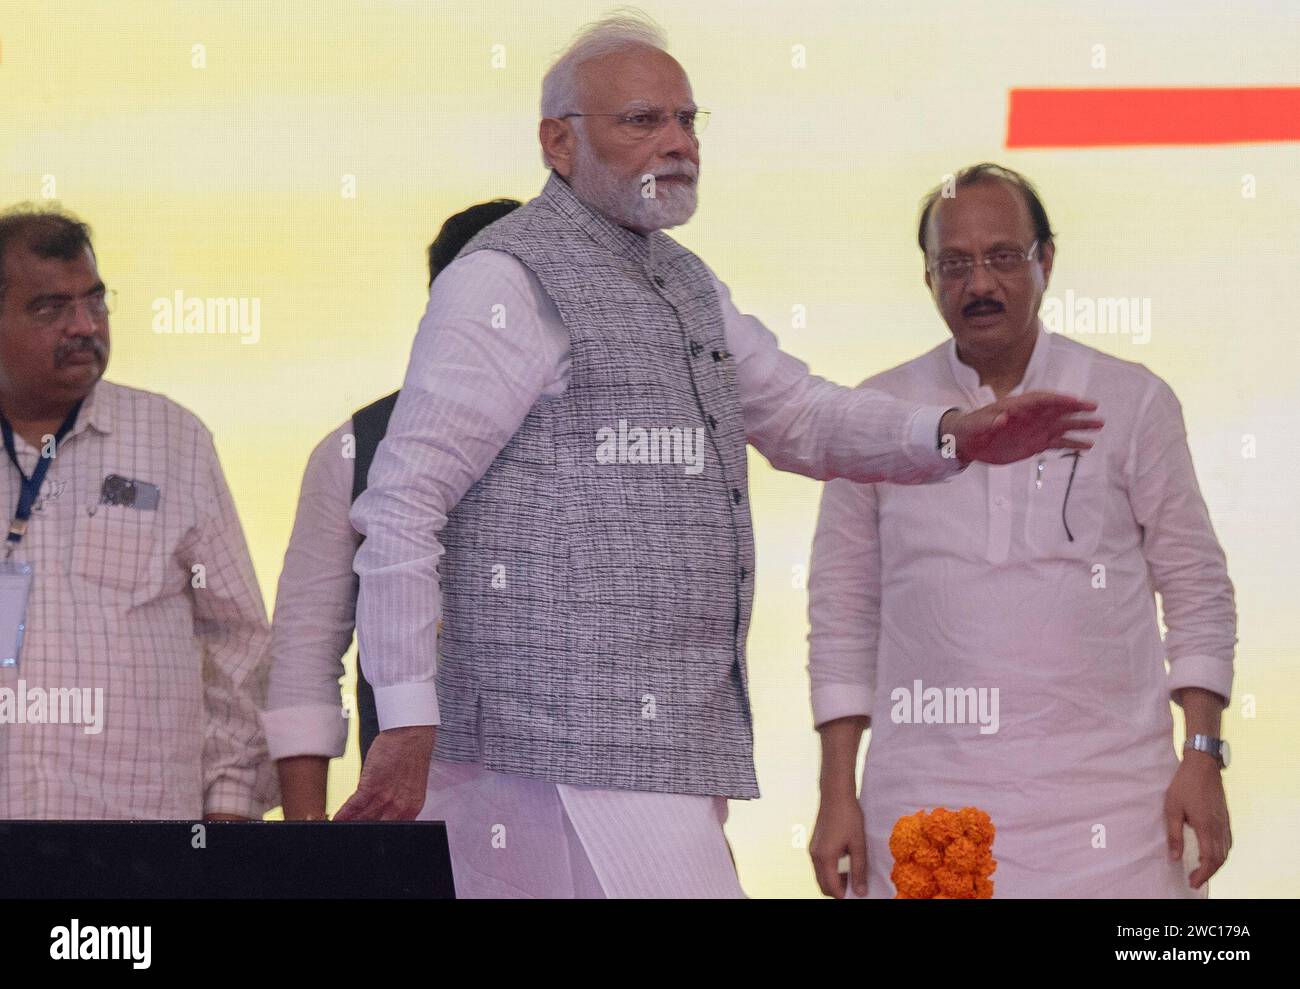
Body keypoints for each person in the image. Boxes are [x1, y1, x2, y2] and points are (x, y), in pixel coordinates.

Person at [337, 16, 1100, 899]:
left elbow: (800, 414)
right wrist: (404, 715)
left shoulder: (685, 281)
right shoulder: (505, 278)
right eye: (643, 121)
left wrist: (949, 434)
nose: (678, 144)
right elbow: (402, 496)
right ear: (558, 142)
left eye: (689, 121)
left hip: (655, 743)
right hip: (546, 748)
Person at [806, 163, 1235, 899]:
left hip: (1114, 814)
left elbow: (1196, 588)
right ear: (928, 277)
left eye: (1004, 257)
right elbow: (841, 613)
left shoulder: (1131, 400)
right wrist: (836, 790)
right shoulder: (878, 416)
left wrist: (1202, 752)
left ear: (1046, 260)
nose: (981, 284)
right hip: (929, 809)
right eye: (956, 264)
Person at [0, 205, 275, 820]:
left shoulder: (171, 439)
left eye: (94, 302)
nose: (83, 326)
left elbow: (240, 637)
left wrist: (229, 804)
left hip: (140, 837)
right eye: (50, 309)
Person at [261, 199, 521, 821]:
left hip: (599, 815)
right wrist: (307, 841)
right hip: (421, 817)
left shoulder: (619, 448)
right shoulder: (354, 450)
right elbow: (304, 655)